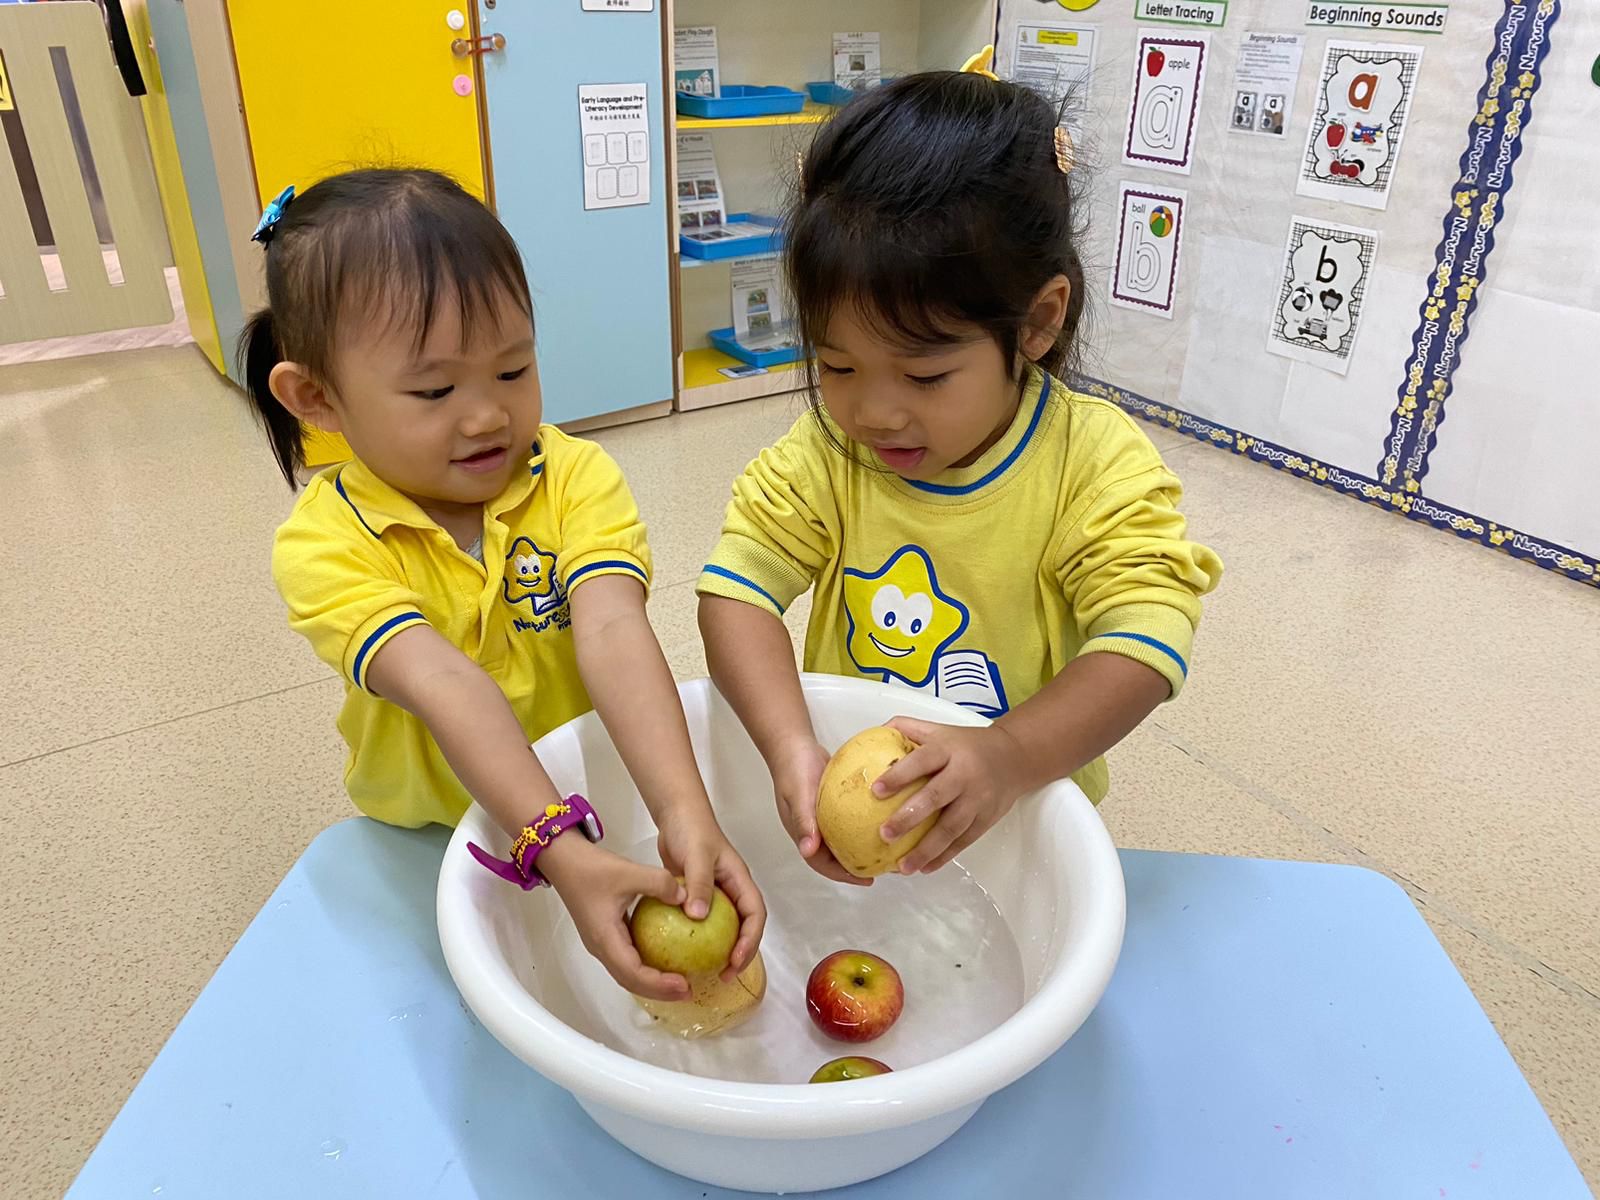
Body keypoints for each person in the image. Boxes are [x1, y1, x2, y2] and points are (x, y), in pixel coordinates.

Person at [239, 169, 764, 999]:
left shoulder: (574, 476)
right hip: (431, 834)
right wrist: (552, 845)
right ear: (317, 398)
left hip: (591, 800)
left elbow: (613, 631)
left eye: (513, 370)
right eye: (436, 390)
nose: (487, 415)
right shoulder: (325, 544)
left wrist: (683, 811)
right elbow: (447, 685)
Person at [697, 61, 1224, 885]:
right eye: (836, 365)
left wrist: (1010, 755)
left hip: (1020, 816)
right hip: (864, 800)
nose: (874, 415)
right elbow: (736, 590)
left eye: (924, 376)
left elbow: (1147, 635)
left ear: (1038, 323)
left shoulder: (1091, 464)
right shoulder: (829, 454)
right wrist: (790, 745)